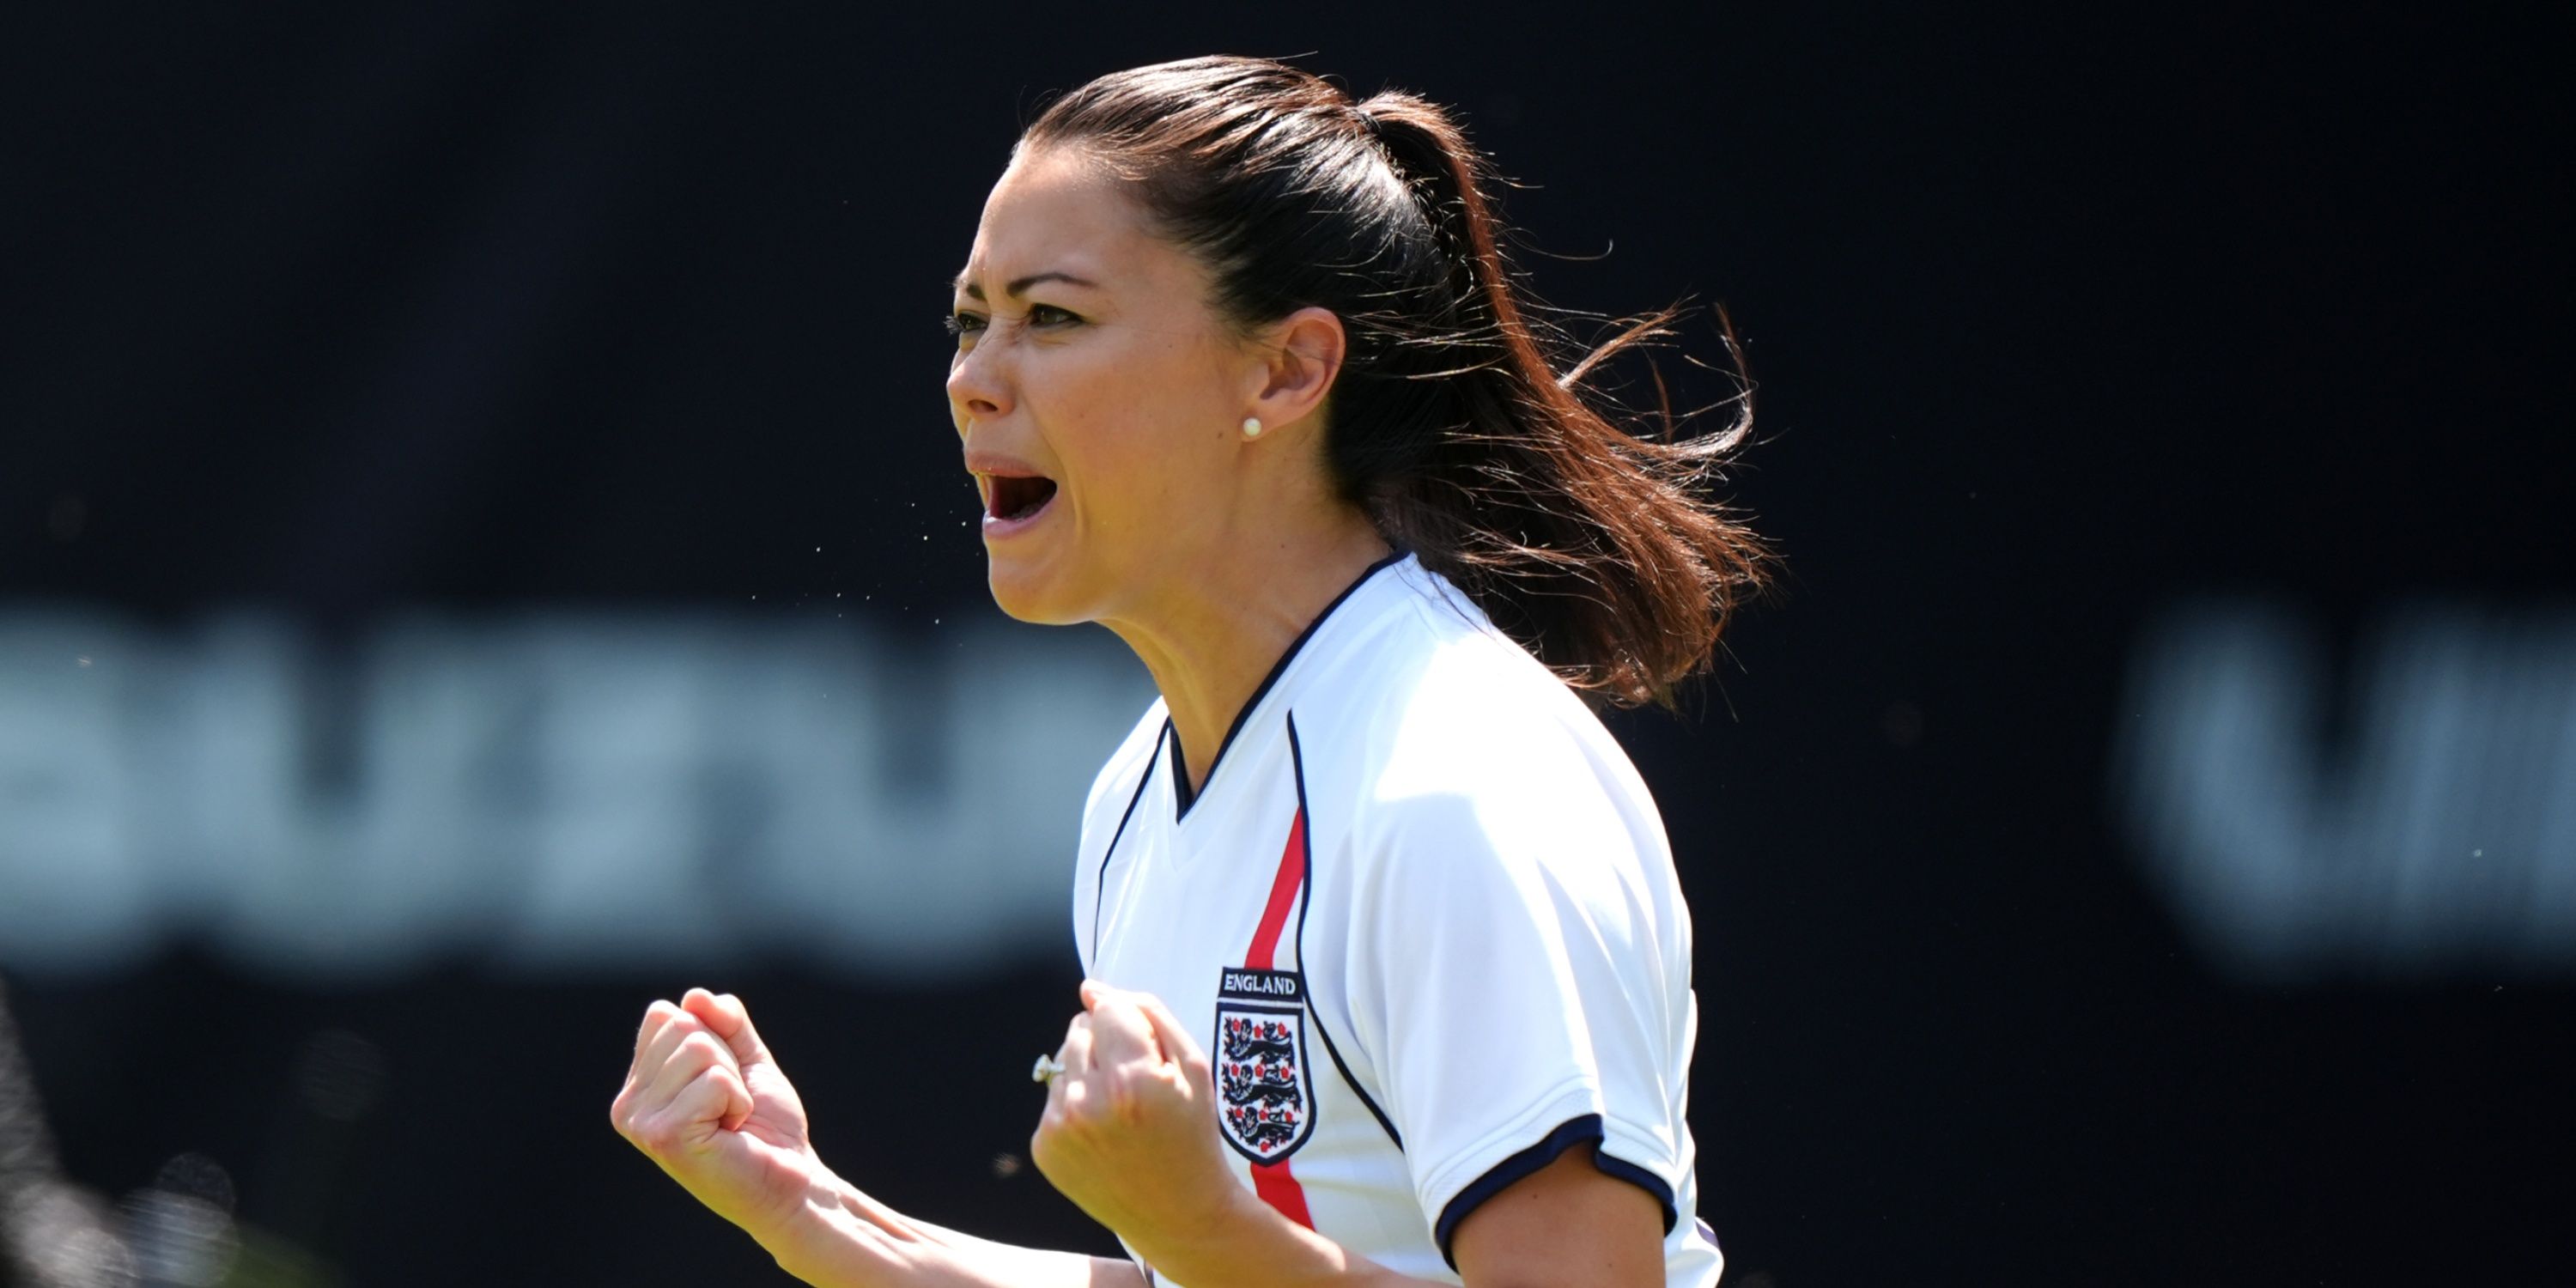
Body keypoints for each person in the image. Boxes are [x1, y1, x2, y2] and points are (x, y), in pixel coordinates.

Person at [611, 55, 1769, 1288]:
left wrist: (1202, 1228)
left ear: (1284, 372)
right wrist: (812, 1211)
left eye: (1051, 316)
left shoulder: (1455, 792)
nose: (972, 380)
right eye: (970, 319)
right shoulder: (1139, 798)